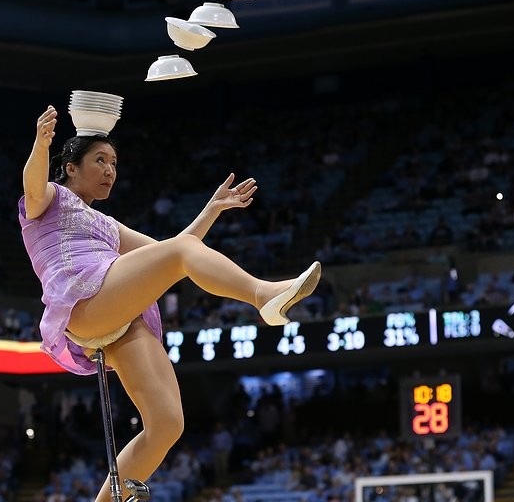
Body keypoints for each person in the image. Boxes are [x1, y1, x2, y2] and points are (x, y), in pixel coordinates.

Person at [18, 105, 321, 502]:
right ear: (70, 167)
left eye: (114, 163)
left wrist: (211, 210)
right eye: (100, 160)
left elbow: (176, 248)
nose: (110, 170)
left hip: (118, 312)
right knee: (180, 254)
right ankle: (262, 295)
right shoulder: (49, 199)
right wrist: (41, 145)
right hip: (84, 301)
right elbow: (33, 187)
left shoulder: (108, 224)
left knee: (167, 424)